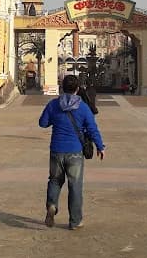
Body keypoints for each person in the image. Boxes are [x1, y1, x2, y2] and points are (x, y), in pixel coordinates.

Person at [38, 75, 105, 230]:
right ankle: (75, 221)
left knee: (55, 180)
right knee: (75, 186)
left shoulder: (53, 104)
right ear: (77, 89)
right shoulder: (83, 107)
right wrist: (100, 146)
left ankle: (52, 205)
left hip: (56, 149)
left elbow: (42, 123)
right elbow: (92, 129)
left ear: (62, 88)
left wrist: (55, 119)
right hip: (75, 151)